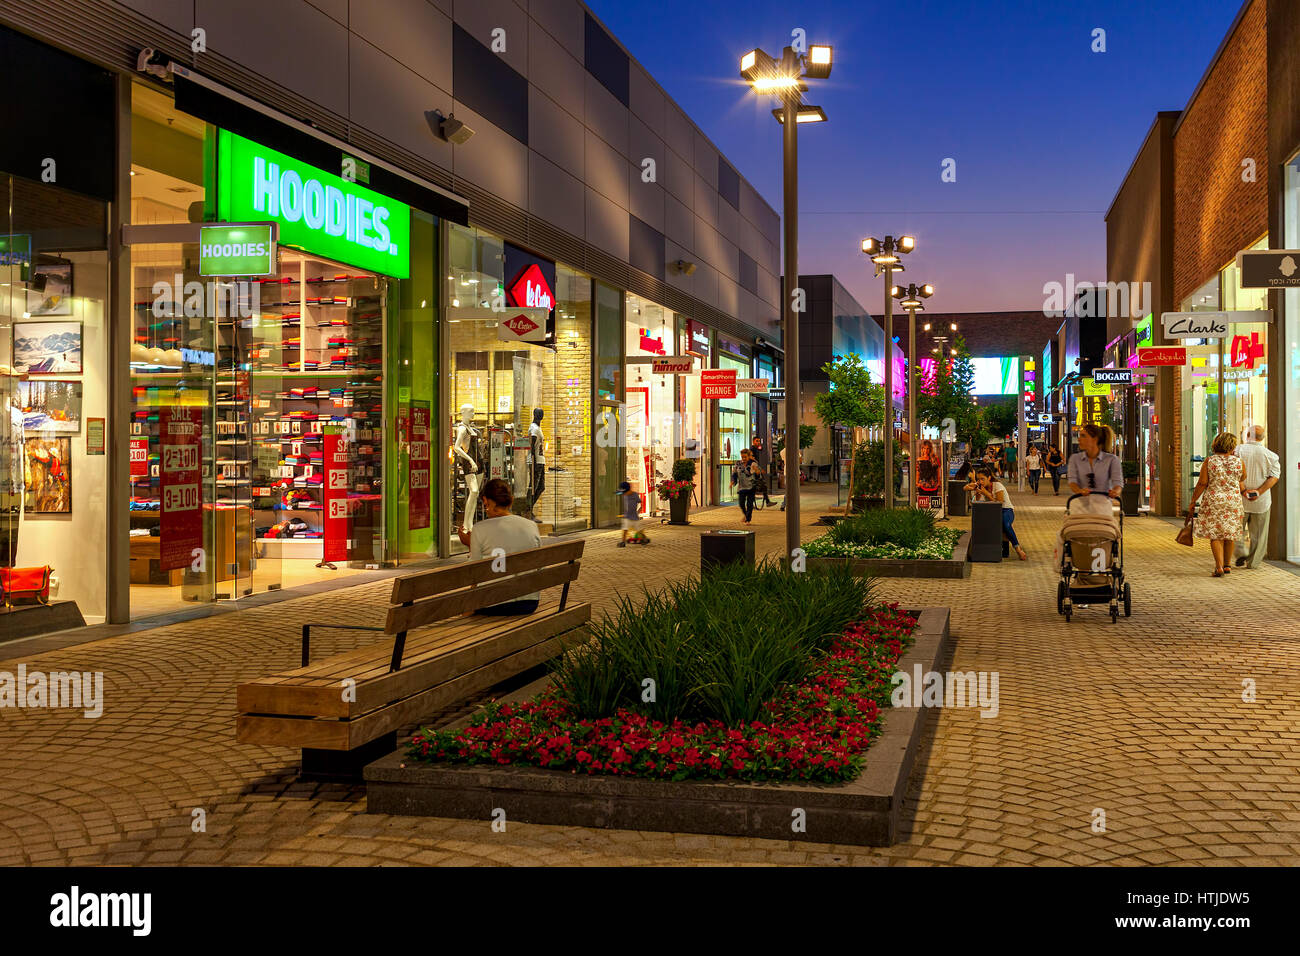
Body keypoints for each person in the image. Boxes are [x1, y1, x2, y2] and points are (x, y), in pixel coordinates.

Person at [456, 478, 542, 614]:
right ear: (511, 500)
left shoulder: (480, 529)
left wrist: (470, 544)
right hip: (529, 602)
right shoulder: (531, 526)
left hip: (493, 603)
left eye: (485, 504)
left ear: (487, 501)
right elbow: (539, 566)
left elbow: (474, 573)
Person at [1188, 432, 1246, 577]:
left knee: (1216, 535)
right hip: (1233, 501)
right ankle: (1227, 566)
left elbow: (1202, 483)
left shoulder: (1210, 461)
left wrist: (1193, 500)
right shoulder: (1239, 462)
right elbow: (1243, 477)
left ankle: (1219, 567)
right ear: (1232, 446)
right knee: (1229, 534)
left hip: (1214, 500)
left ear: (1216, 444)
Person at [1234, 425, 1281, 569]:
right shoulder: (1271, 455)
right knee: (1259, 534)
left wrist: (1244, 491)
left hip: (1239, 498)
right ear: (1263, 438)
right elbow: (1274, 477)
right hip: (1261, 501)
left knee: (1236, 530)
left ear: (1247, 435)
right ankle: (1253, 563)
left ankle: (1240, 551)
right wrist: (1259, 492)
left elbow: (1234, 473)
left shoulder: (1237, 451)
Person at [964, 467, 1027, 560]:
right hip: (991, 511)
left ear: (989, 478)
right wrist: (973, 488)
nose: (980, 481)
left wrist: (986, 494)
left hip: (1006, 510)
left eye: (982, 479)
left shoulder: (997, 485)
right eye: (978, 479)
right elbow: (972, 496)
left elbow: (999, 503)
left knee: (1005, 524)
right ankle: (990, 549)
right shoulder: (981, 487)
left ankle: (1018, 548)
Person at [1067, 424, 1123, 512]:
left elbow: (1118, 482)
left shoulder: (1111, 460)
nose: (1079, 439)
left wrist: (1115, 491)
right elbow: (1072, 481)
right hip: (1079, 508)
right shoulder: (1075, 459)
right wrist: (1079, 491)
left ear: (1095, 439)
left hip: (1103, 508)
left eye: (1083, 436)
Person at [731, 447, 758, 524]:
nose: (744, 458)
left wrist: (757, 472)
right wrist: (733, 481)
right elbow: (734, 474)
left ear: (748, 456)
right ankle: (746, 514)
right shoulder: (738, 464)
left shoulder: (753, 463)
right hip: (742, 487)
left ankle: (748, 519)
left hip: (751, 487)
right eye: (742, 457)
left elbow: (758, 474)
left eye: (745, 457)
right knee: (741, 503)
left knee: (749, 504)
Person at [750, 437, 774, 506]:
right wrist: (758, 469)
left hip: (756, 470)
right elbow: (752, 459)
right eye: (757, 441)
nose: (758, 442)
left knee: (761, 486)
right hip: (755, 471)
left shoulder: (756, 449)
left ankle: (767, 501)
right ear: (753, 441)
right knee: (761, 485)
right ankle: (766, 501)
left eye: (759, 441)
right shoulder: (752, 449)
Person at [618, 480, 642, 547]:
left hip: (634, 516)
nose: (624, 494)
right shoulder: (624, 495)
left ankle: (643, 538)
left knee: (638, 529)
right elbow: (618, 493)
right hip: (627, 516)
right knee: (625, 529)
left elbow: (640, 502)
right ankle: (623, 542)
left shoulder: (635, 495)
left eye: (625, 492)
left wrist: (639, 510)